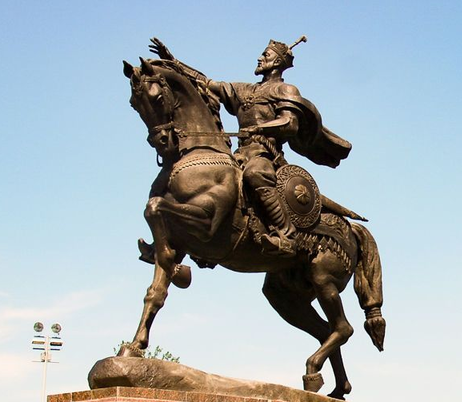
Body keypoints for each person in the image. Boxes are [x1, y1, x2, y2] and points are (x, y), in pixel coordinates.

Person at [148, 37, 352, 256]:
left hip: (265, 154)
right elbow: (206, 83)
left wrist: (261, 128)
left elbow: (290, 123)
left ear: (277, 62)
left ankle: (286, 234)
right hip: (240, 153)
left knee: (256, 173)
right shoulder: (243, 90)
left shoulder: (286, 90)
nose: (260, 58)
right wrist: (173, 61)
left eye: (266, 55)